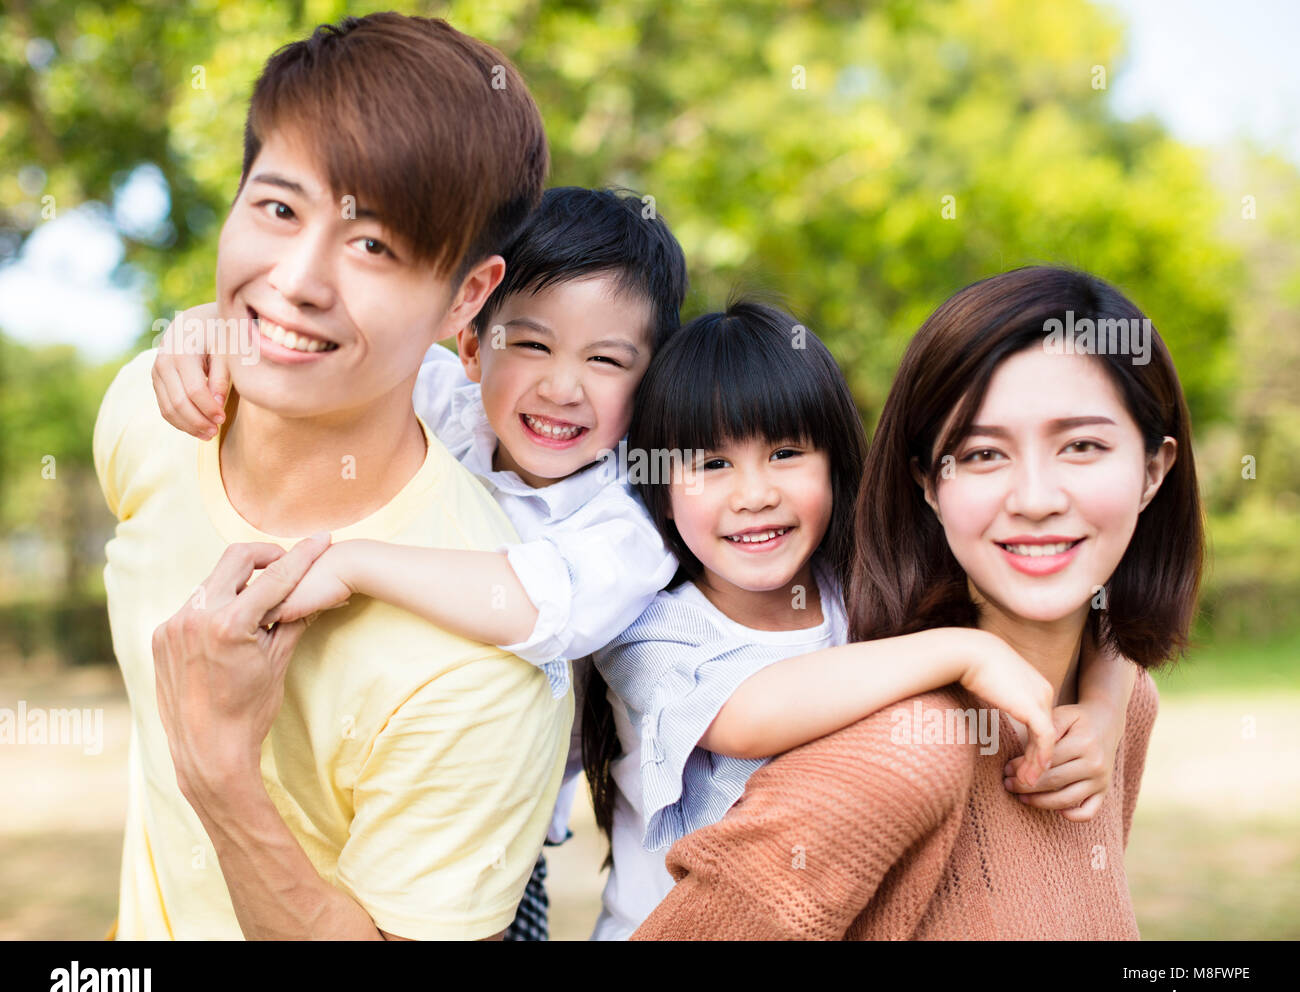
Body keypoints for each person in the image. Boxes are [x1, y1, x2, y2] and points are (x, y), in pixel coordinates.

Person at [93, 13, 570, 940]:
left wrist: (222, 774)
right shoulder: (147, 418)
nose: (299, 278)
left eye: (374, 247)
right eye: (277, 209)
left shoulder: (484, 663)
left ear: (467, 297)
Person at [148, 185, 689, 939]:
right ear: (469, 343)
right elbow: (325, 355)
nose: (562, 387)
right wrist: (202, 331)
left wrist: (355, 562)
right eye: (530, 344)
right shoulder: (441, 399)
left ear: (655, 385)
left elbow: (542, 606)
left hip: (492, 835)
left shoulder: (635, 518)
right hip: (360, 778)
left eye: (605, 360)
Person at [631, 267, 1202, 939]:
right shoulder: (906, 755)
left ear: (1154, 469)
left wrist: (1107, 704)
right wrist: (969, 650)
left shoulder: (1116, 710)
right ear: (927, 484)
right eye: (985, 453)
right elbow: (747, 713)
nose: (1037, 497)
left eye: (1082, 445)